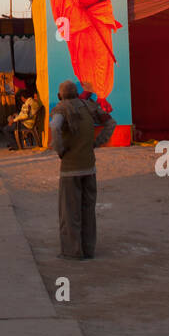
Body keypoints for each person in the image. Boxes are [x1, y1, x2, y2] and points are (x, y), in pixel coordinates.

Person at [50, 80, 114, 259]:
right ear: (77, 93)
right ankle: (88, 249)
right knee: (88, 210)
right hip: (89, 167)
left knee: (70, 212)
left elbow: (54, 126)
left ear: (60, 95)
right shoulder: (89, 106)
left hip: (70, 169)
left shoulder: (61, 109)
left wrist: (60, 149)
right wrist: (97, 143)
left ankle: (72, 252)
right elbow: (110, 122)